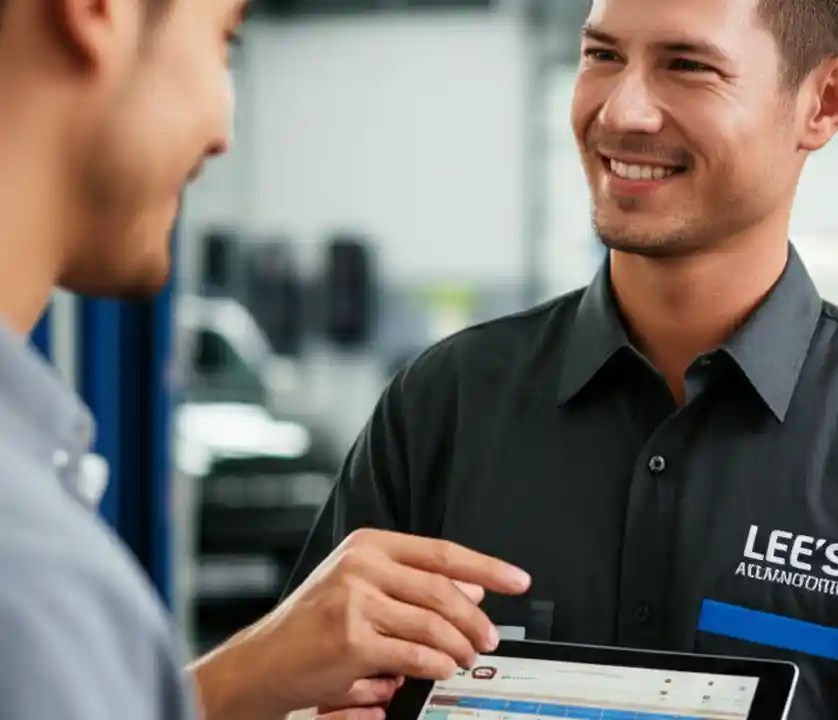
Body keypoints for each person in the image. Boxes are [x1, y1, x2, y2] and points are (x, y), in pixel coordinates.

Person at [284, 0, 838, 718]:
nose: (623, 110)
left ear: (825, 102)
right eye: (602, 55)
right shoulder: (444, 409)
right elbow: (302, 688)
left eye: (688, 66)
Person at [0, 0, 532, 718]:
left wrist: (238, 682)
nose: (221, 131)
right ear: (99, 12)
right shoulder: (28, 570)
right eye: (222, 41)